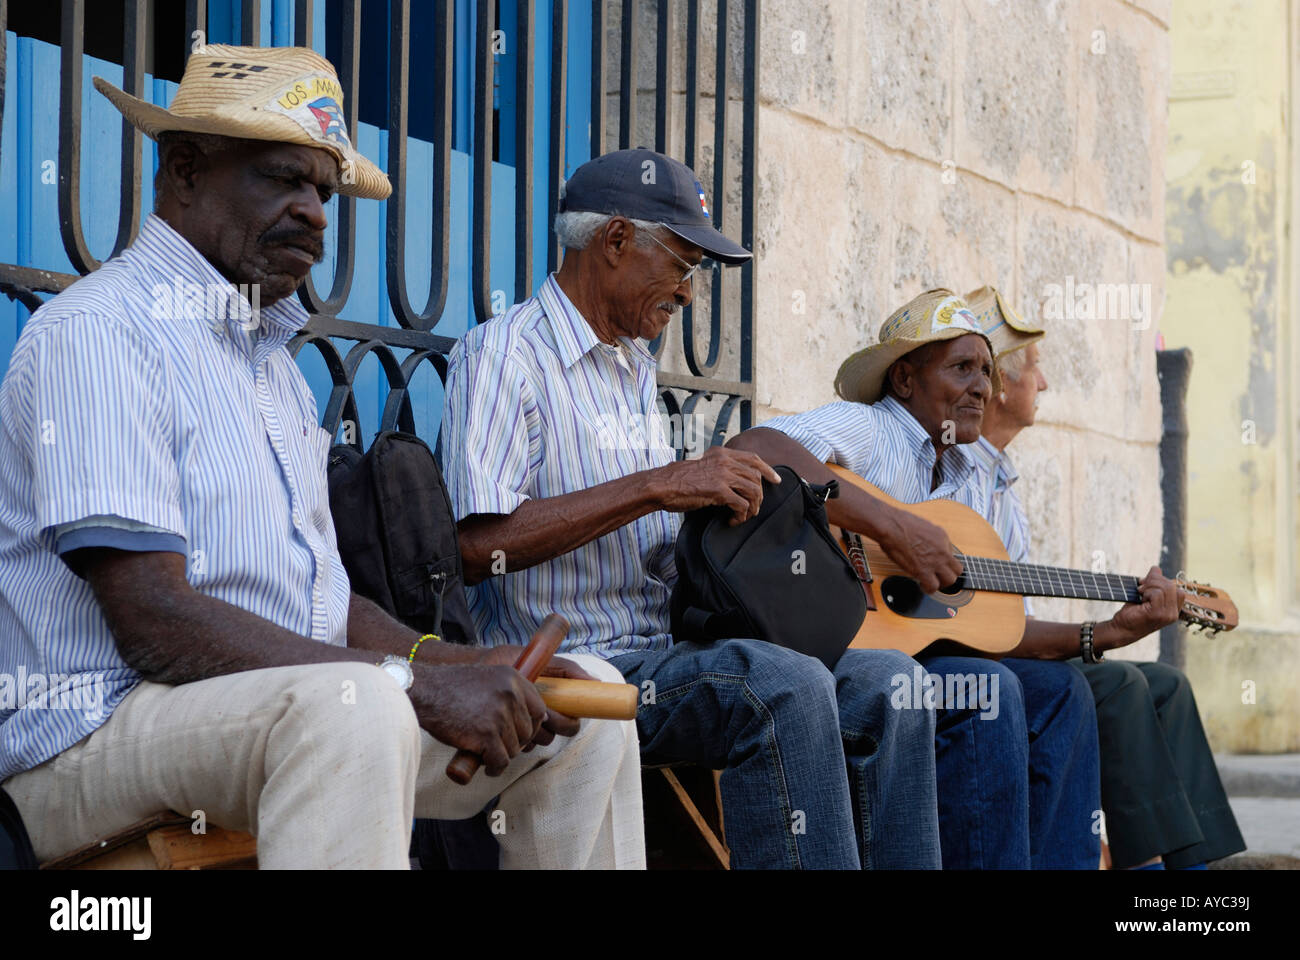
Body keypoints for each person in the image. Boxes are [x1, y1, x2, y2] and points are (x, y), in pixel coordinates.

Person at [0, 44, 644, 870]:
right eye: (282, 178)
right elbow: (151, 621)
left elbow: (322, 607)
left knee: (574, 705)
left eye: (324, 189)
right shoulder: (103, 334)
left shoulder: (273, 368)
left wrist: (452, 661)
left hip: (272, 713)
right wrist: (410, 686)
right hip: (92, 738)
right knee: (357, 703)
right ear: (185, 169)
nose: (314, 211)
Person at [442, 148, 948, 868]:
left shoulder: (630, 369)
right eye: (682, 265)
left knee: (890, 685)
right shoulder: (502, 357)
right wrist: (658, 485)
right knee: (786, 686)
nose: (688, 292)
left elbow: (648, 526)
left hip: (670, 648)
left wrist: (724, 513)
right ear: (615, 242)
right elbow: (473, 545)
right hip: (581, 668)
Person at [728, 288, 1104, 868]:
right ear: (904, 380)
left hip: (909, 658)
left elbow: (990, 624)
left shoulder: (960, 475)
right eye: (962, 368)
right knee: (988, 692)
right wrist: (892, 527)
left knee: (1059, 693)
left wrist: (1099, 633)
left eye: (986, 370)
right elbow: (756, 446)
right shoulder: (871, 429)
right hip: (822, 647)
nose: (983, 385)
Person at [965, 284, 1246, 870]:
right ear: (998, 385)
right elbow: (978, 619)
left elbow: (1008, 613)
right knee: (1118, 688)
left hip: (1003, 648)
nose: (1042, 383)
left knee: (1168, 684)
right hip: (962, 657)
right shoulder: (954, 467)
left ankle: (1194, 875)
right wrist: (1097, 637)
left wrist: (1105, 628)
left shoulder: (1003, 486)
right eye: (1034, 369)